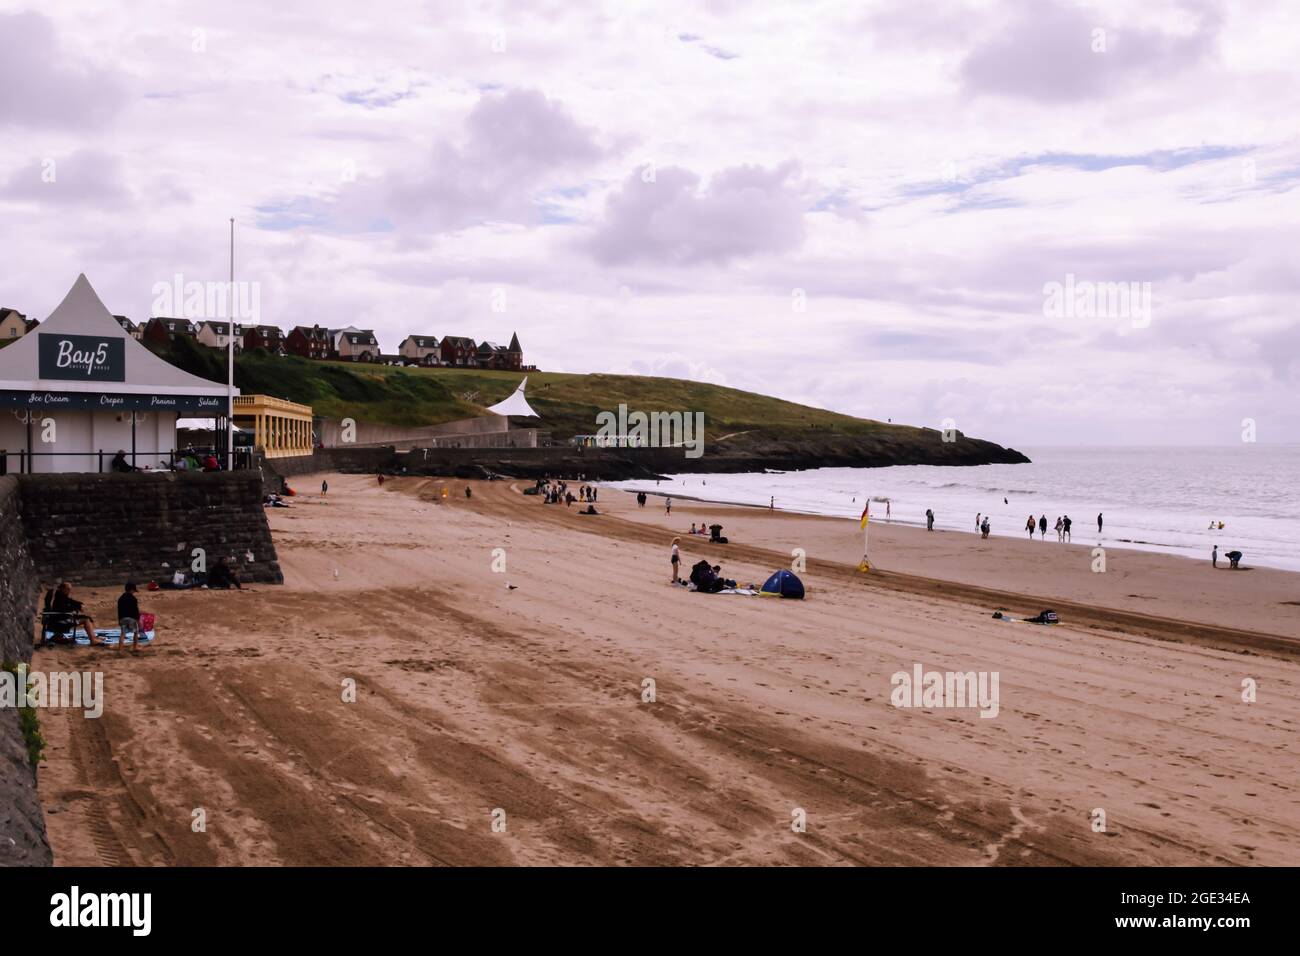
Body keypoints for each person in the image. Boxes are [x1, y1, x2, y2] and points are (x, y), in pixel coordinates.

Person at [117, 582, 145, 654]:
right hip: (131, 619)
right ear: (132, 590)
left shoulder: (120, 598)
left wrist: (119, 620)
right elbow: (135, 611)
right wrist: (138, 621)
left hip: (122, 618)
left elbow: (119, 610)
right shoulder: (133, 599)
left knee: (122, 634)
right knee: (136, 632)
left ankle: (120, 649)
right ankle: (135, 647)